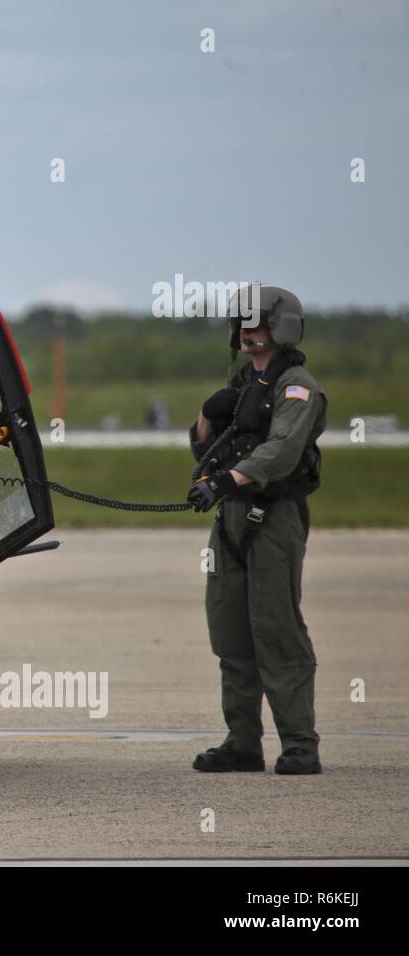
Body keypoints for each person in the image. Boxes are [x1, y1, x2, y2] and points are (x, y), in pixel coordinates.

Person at [186, 286, 325, 775]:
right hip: (230, 519)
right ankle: (243, 741)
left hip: (273, 518)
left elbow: (283, 451)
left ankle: (300, 743)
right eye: (241, 322)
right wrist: (207, 416)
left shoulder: (296, 387)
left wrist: (225, 480)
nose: (246, 331)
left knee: (276, 629)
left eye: (256, 322)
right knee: (230, 632)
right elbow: (208, 446)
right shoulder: (243, 385)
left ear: (281, 326)